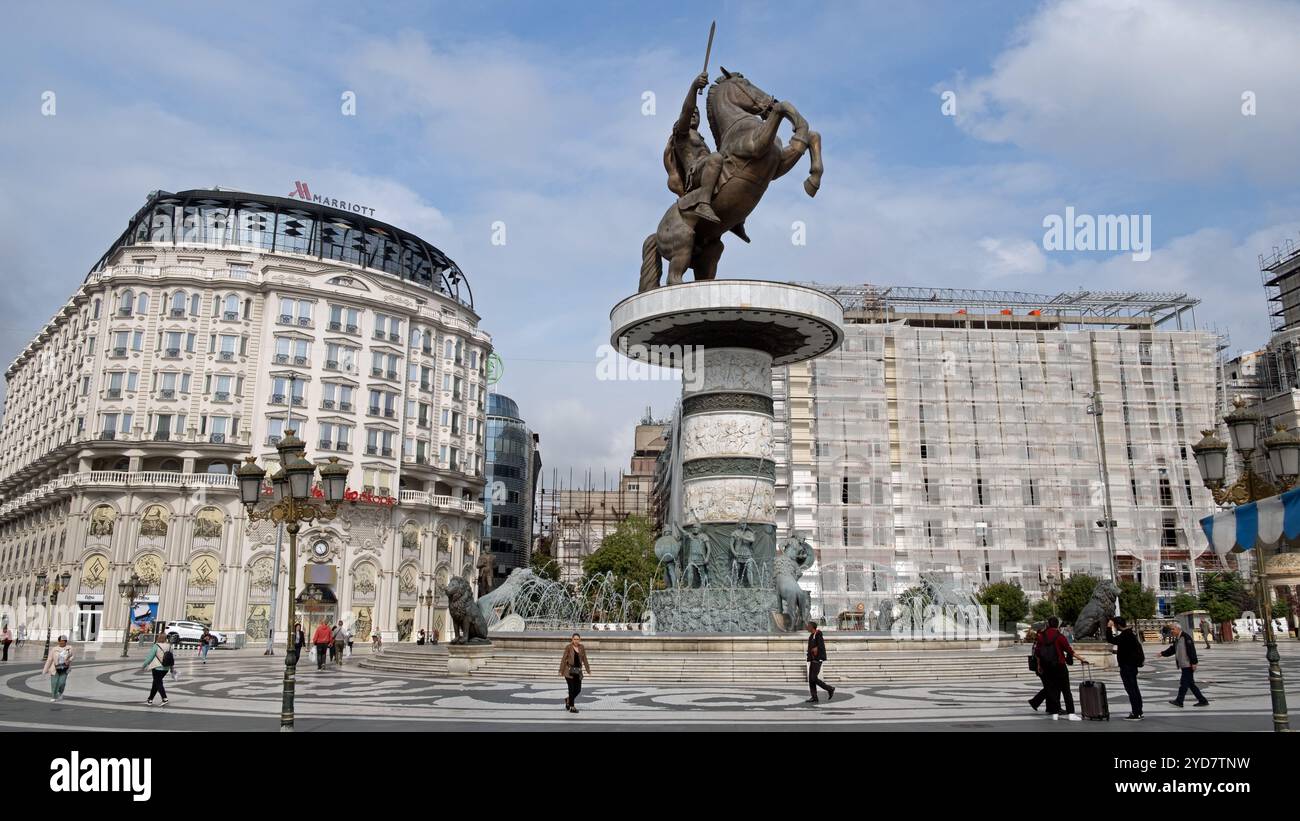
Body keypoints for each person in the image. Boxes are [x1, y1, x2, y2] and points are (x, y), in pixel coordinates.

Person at [1029, 616, 1077, 717]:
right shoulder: (1059, 636)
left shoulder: (1041, 636)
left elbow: (1037, 652)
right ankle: (1069, 712)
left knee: (1051, 688)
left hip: (1045, 665)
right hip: (1059, 665)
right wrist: (1081, 659)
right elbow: (1069, 650)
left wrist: (1038, 665)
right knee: (1064, 689)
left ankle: (1053, 709)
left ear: (1048, 624)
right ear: (1057, 625)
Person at [1106, 616, 1145, 721]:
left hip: (1127, 667)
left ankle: (1136, 713)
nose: (1114, 627)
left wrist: (1108, 628)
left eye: (1114, 625)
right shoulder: (1130, 634)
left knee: (1131, 690)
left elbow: (1111, 640)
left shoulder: (1125, 635)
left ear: (1118, 625)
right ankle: (1138, 711)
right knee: (1134, 689)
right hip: (1131, 666)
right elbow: (1127, 649)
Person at [1161, 623, 1210, 708]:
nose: (1171, 631)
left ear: (1178, 629)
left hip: (1188, 664)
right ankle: (1202, 700)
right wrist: (1162, 653)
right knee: (1191, 684)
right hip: (1184, 664)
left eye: (1173, 629)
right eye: (1171, 629)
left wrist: (1194, 662)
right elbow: (1173, 649)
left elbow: (1192, 650)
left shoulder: (1185, 637)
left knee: (1183, 683)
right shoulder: (1178, 638)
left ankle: (1179, 701)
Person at [559, 633, 591, 713]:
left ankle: (568, 699)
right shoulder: (568, 647)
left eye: (577, 639)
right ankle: (572, 707)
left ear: (580, 640)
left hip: (578, 672)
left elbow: (585, 659)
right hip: (569, 671)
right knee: (571, 689)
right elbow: (564, 659)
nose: (576, 641)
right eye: (574, 639)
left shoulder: (581, 647)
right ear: (572, 639)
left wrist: (588, 669)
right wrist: (561, 670)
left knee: (578, 689)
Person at [805, 620, 835, 704]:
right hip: (812, 659)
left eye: (808, 626)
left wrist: (816, 649)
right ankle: (814, 697)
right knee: (811, 679)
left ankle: (829, 688)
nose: (807, 627)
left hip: (817, 659)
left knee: (813, 678)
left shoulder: (818, 634)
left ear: (812, 627)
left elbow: (821, 646)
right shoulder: (811, 636)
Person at [141, 637, 172, 706]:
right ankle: (150, 699)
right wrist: (172, 668)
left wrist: (143, 665)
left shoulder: (156, 646)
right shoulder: (169, 646)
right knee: (156, 683)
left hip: (157, 667)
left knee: (158, 683)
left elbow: (150, 657)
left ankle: (164, 698)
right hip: (166, 668)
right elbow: (171, 658)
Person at [42, 635, 73, 702]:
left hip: (64, 668)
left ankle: (60, 693)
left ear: (66, 642)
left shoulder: (69, 648)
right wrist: (45, 669)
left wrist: (69, 660)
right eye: (60, 642)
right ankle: (53, 696)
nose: (62, 643)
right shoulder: (54, 649)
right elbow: (49, 659)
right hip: (55, 668)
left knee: (62, 682)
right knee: (54, 683)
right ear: (58, 642)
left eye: (63, 642)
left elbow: (72, 656)